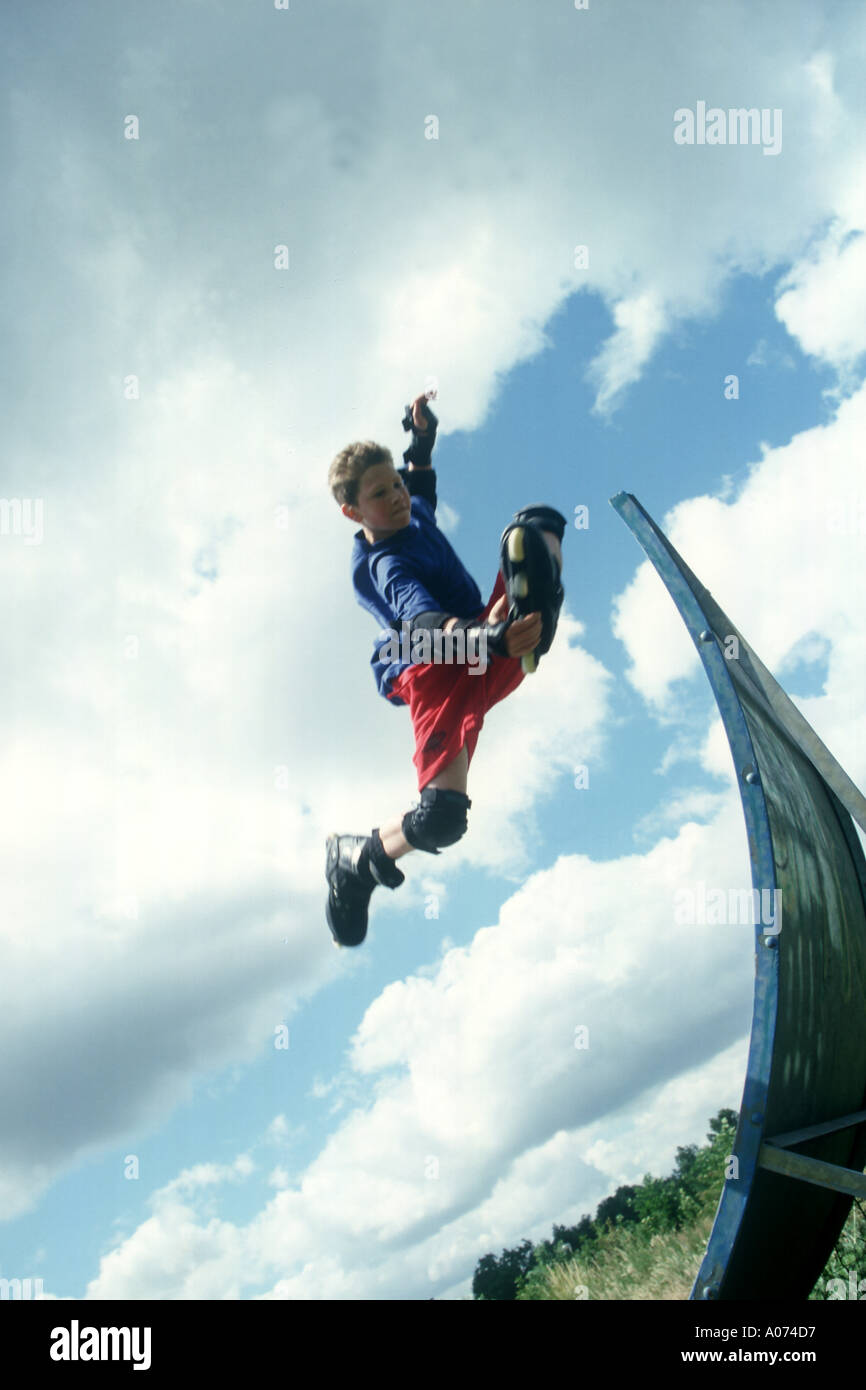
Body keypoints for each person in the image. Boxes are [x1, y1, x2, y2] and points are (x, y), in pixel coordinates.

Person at [325, 390, 566, 947]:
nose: (398, 498)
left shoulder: (412, 508)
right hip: (430, 662)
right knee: (441, 819)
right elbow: (422, 623)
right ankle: (356, 860)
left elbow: (422, 485)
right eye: (380, 495)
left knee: (537, 528)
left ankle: (533, 609)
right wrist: (486, 636)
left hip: (479, 642)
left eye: (396, 485)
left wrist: (421, 442)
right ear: (353, 513)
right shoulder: (387, 563)